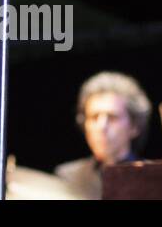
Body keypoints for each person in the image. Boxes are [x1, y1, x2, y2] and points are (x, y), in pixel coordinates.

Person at [54, 71, 151, 199]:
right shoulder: (67, 177)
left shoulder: (155, 177)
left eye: (112, 117)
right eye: (94, 117)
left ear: (134, 127)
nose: (101, 126)